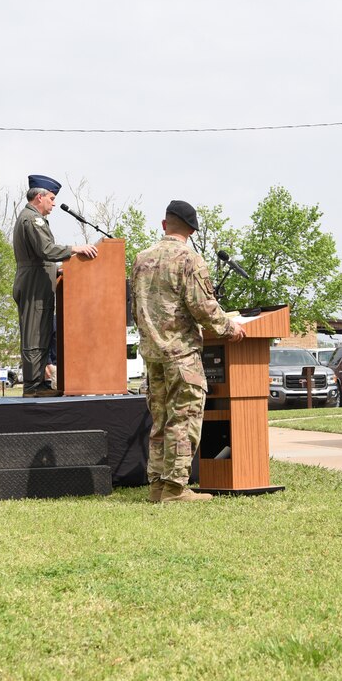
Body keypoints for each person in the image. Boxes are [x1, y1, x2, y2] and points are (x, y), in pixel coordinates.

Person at [132, 200, 246, 503]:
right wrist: (230, 327)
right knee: (184, 420)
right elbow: (203, 307)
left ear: (164, 224)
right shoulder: (190, 260)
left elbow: (136, 308)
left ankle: (157, 486)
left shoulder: (141, 259)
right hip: (182, 356)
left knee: (160, 421)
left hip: (152, 354)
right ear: (192, 230)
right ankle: (175, 489)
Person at [11, 175, 98, 397]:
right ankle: (33, 386)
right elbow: (46, 251)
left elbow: (42, 256)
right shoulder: (32, 220)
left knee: (41, 333)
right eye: (51, 198)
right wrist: (75, 249)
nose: (54, 203)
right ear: (39, 197)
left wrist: (58, 269)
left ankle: (38, 383)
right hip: (34, 284)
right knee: (34, 334)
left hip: (39, 281)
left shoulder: (32, 218)